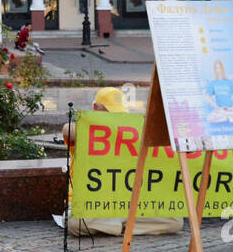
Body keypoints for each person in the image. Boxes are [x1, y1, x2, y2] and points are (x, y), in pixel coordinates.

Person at [62, 87, 183, 237]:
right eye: (111, 113)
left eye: (119, 115)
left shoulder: (126, 137)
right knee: (75, 222)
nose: (115, 120)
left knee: (175, 220)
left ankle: (117, 225)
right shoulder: (85, 132)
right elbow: (68, 130)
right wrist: (99, 129)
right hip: (89, 206)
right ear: (95, 108)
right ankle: (124, 225)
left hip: (121, 205)